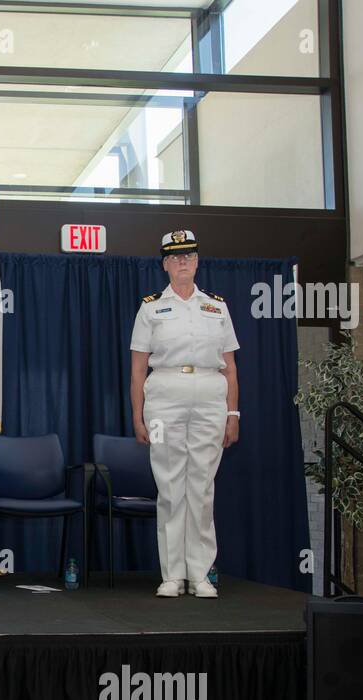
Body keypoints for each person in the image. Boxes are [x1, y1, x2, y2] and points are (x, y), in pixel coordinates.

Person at [129, 229, 240, 599]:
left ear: (197, 262)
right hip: (163, 398)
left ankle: (201, 574)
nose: (182, 262)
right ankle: (172, 574)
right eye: (175, 257)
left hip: (210, 396)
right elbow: (138, 369)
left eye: (188, 256)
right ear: (165, 264)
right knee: (171, 486)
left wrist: (233, 413)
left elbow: (231, 367)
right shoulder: (150, 308)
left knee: (202, 487)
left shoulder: (217, 307)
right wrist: (138, 415)